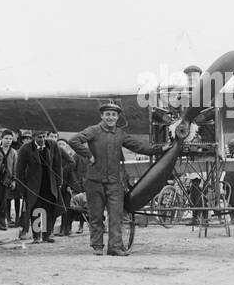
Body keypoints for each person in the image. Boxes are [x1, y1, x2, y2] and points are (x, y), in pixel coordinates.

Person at [69, 102, 164, 256]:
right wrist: (88, 155)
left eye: (113, 115)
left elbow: (138, 146)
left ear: (118, 117)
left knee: (116, 215)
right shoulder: (93, 130)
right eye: (107, 114)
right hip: (94, 181)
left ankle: (114, 247)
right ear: (102, 116)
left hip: (114, 183)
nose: (110, 118)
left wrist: (160, 149)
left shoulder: (120, 134)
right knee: (96, 215)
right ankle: (97, 246)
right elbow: (73, 140)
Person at [14, 129, 65, 242]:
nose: (42, 140)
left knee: (49, 209)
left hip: (49, 184)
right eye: (39, 137)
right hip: (33, 185)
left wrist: (59, 182)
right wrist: (22, 188)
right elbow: (19, 171)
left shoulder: (52, 145)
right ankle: (37, 236)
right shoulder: (25, 149)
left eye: (43, 137)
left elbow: (58, 165)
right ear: (33, 138)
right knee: (36, 209)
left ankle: (47, 235)